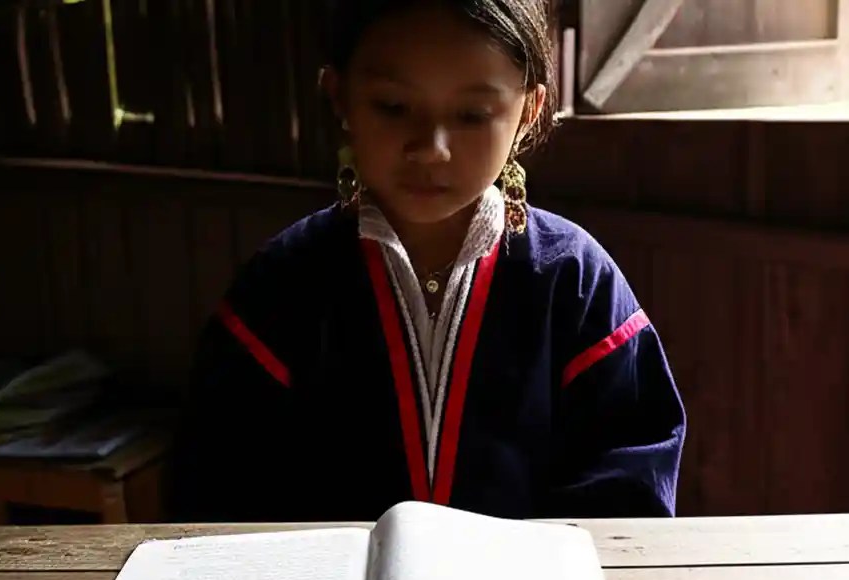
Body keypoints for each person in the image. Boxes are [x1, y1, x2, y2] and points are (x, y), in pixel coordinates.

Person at [171, 0, 685, 522]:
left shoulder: (576, 282)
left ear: (529, 111)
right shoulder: (279, 287)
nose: (431, 148)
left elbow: (630, 472)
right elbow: (218, 482)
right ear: (340, 96)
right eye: (392, 107)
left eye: (471, 115)